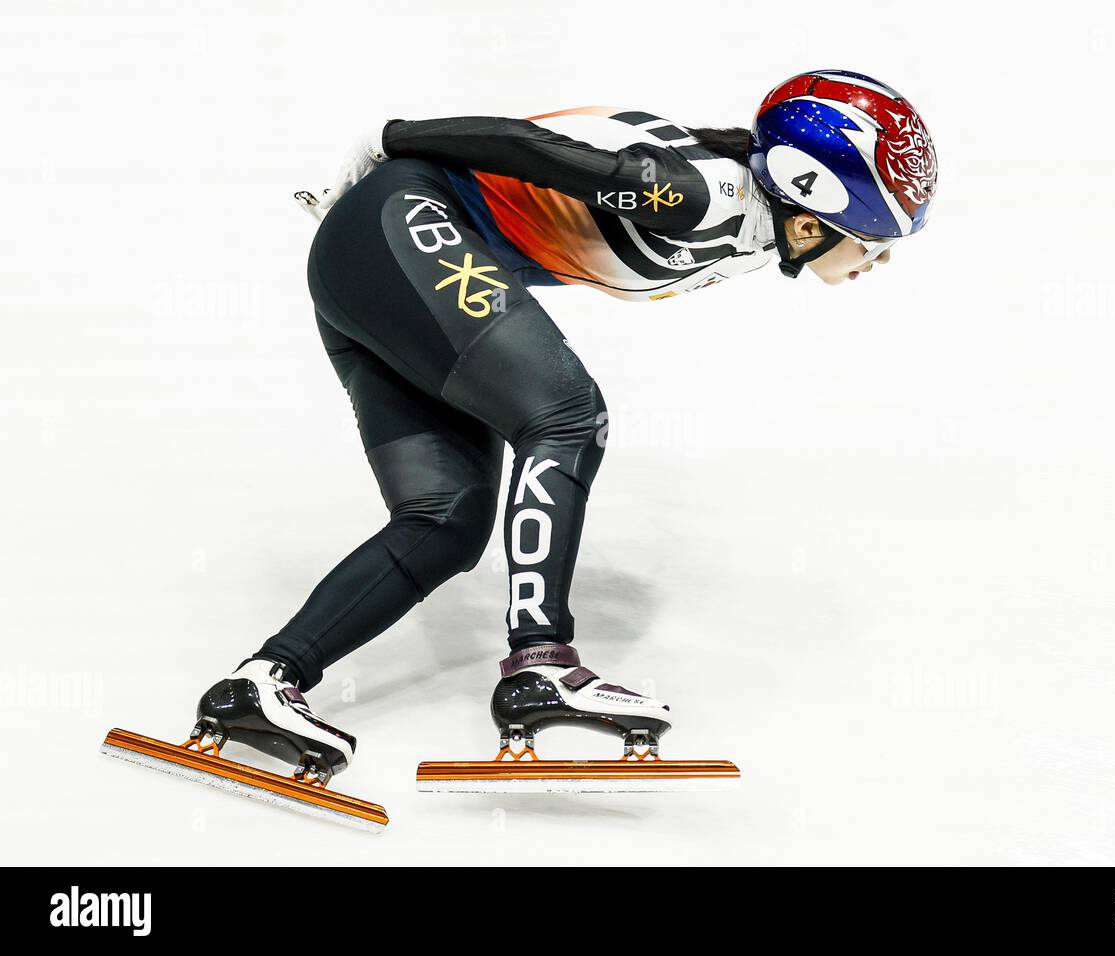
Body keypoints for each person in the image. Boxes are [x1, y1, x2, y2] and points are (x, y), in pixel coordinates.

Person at [192, 69, 939, 781]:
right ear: (812, 215)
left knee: (446, 519)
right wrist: (394, 135)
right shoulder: (695, 197)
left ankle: (262, 682)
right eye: (876, 241)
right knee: (568, 415)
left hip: (379, 265)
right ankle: (541, 664)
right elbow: (526, 147)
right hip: (401, 224)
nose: (880, 260)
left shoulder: (753, 209)